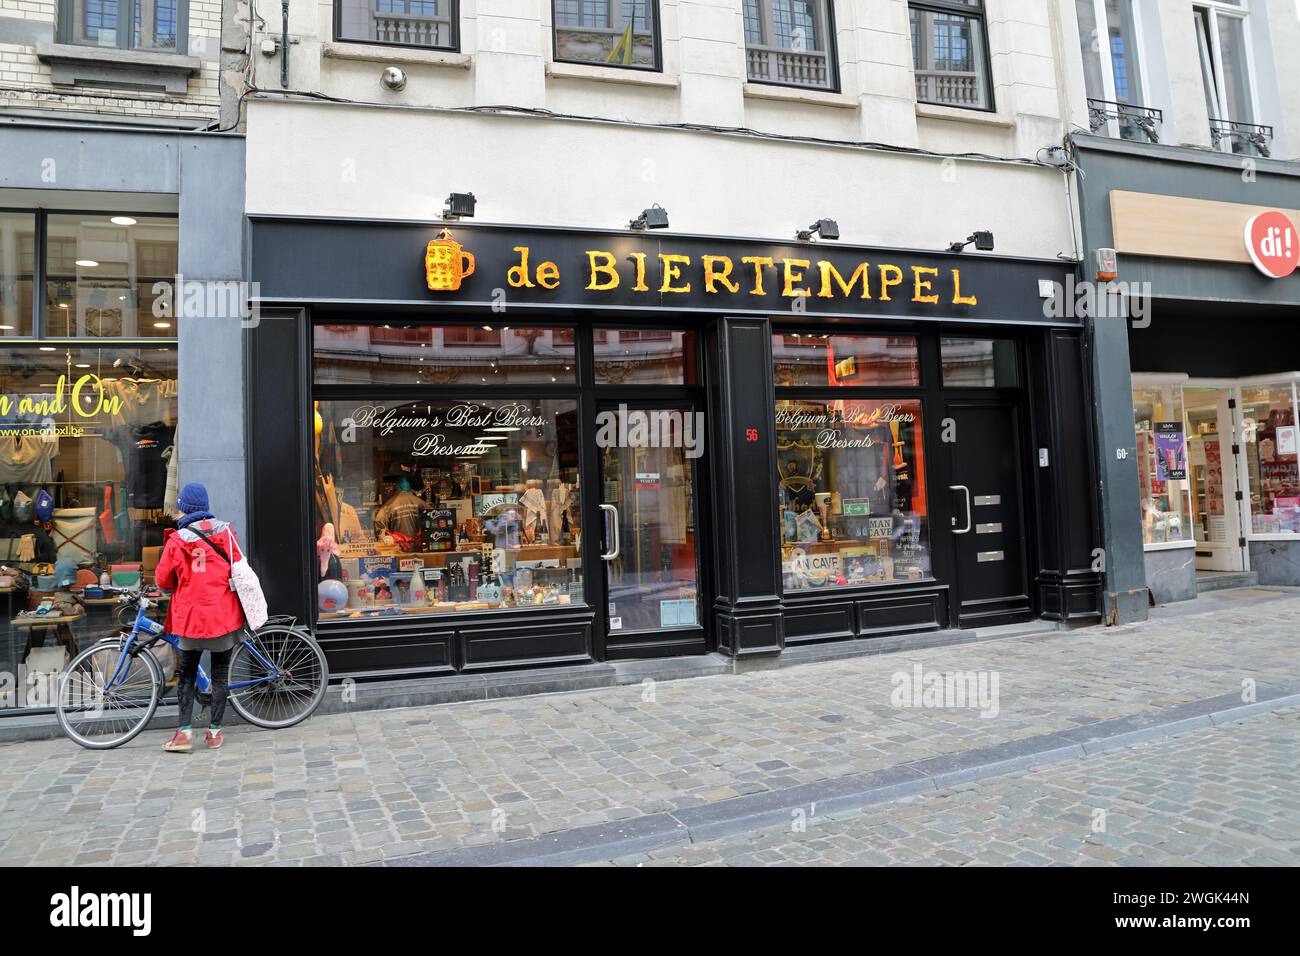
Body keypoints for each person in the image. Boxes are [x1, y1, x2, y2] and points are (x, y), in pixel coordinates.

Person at [154, 482, 248, 752]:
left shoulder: (176, 540)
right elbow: (239, 565)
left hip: (191, 617)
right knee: (220, 674)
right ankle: (215, 733)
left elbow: (163, 580)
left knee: (187, 674)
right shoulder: (226, 533)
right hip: (223, 615)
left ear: (184, 508)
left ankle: (184, 734)